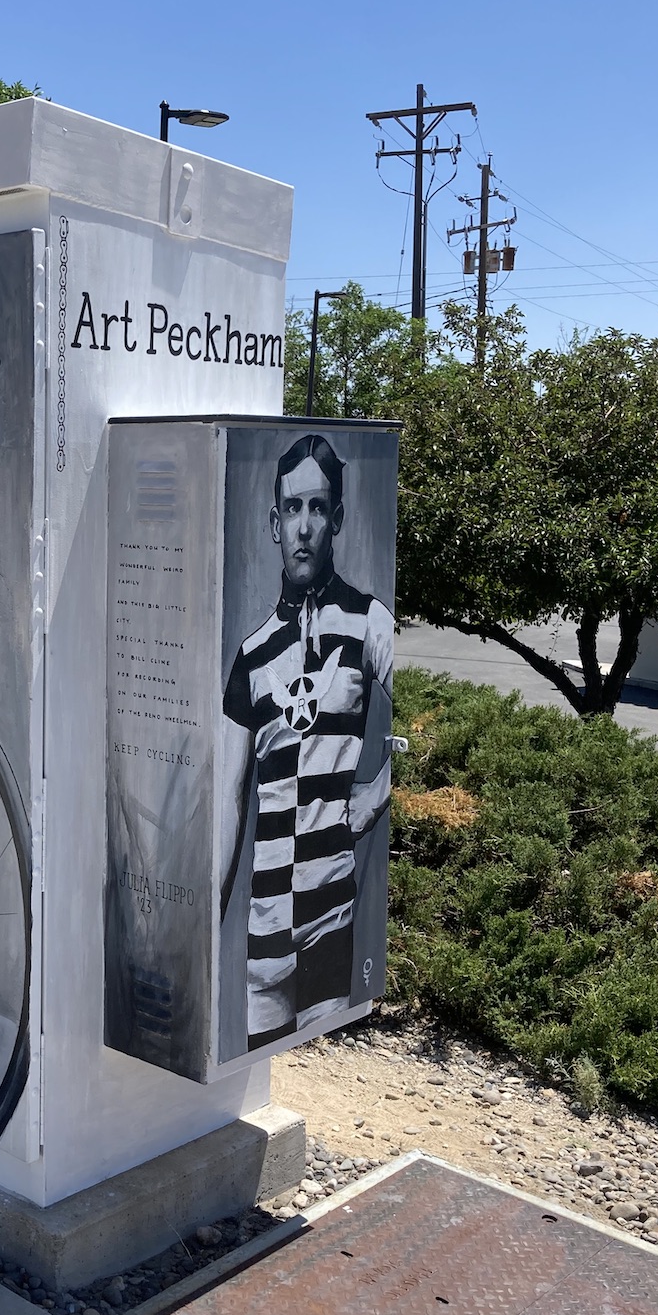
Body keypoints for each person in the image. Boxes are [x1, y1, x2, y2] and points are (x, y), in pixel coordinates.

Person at [219, 432, 394, 1050]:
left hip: (328, 914)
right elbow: (228, 804)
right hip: (265, 929)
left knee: (320, 1055)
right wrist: (206, 920)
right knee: (261, 1064)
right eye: (292, 508)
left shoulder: (369, 623)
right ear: (275, 523)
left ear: (336, 519)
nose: (303, 526)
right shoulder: (251, 655)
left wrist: (377, 795)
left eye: (317, 508)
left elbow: (422, 722)